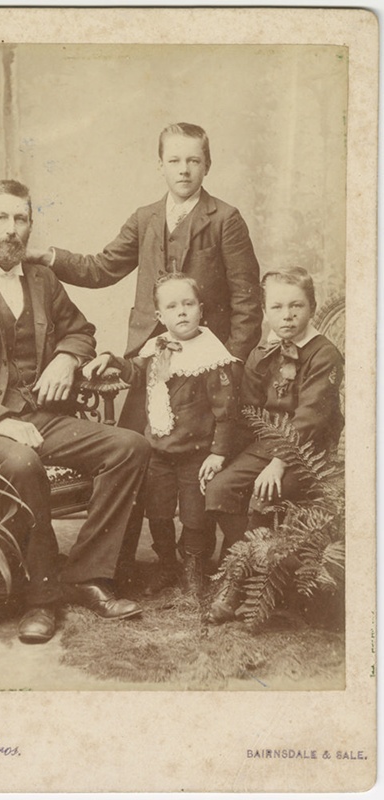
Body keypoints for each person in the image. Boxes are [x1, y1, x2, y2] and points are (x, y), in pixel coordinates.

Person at [0, 179, 151, 645]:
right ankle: (40, 598)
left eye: (20, 219)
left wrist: (66, 357)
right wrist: (0, 420)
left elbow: (81, 330)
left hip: (39, 416)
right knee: (22, 463)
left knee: (130, 447)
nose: (11, 230)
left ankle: (86, 574)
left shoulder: (42, 280)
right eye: (1, 218)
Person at [28, 121, 263, 568]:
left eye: (194, 160)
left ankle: (198, 559)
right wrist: (49, 257)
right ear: (160, 165)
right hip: (149, 363)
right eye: (174, 160)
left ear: (207, 164)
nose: (184, 169)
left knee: (200, 458)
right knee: (136, 454)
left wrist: (230, 361)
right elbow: (101, 268)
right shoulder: (145, 218)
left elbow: (247, 298)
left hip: (204, 363)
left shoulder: (225, 219)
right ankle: (123, 565)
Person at [83, 273, 239, 597]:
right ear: (160, 316)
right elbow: (137, 373)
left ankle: (193, 567)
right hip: (159, 452)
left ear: (201, 308)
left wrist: (219, 452)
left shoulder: (211, 355)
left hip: (195, 453)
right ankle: (167, 564)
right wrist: (111, 360)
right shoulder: (156, 347)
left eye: (189, 304)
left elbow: (226, 412)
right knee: (158, 512)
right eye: (172, 306)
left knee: (195, 518)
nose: (182, 312)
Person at [203, 266, 344, 623]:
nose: (287, 316)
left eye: (296, 306)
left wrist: (280, 462)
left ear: (311, 306)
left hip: (310, 454)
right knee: (220, 489)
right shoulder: (262, 352)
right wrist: (223, 454)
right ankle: (248, 566)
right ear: (265, 311)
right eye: (277, 307)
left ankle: (238, 588)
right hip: (267, 447)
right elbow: (249, 412)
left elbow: (311, 418)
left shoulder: (324, 354)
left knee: (264, 494)